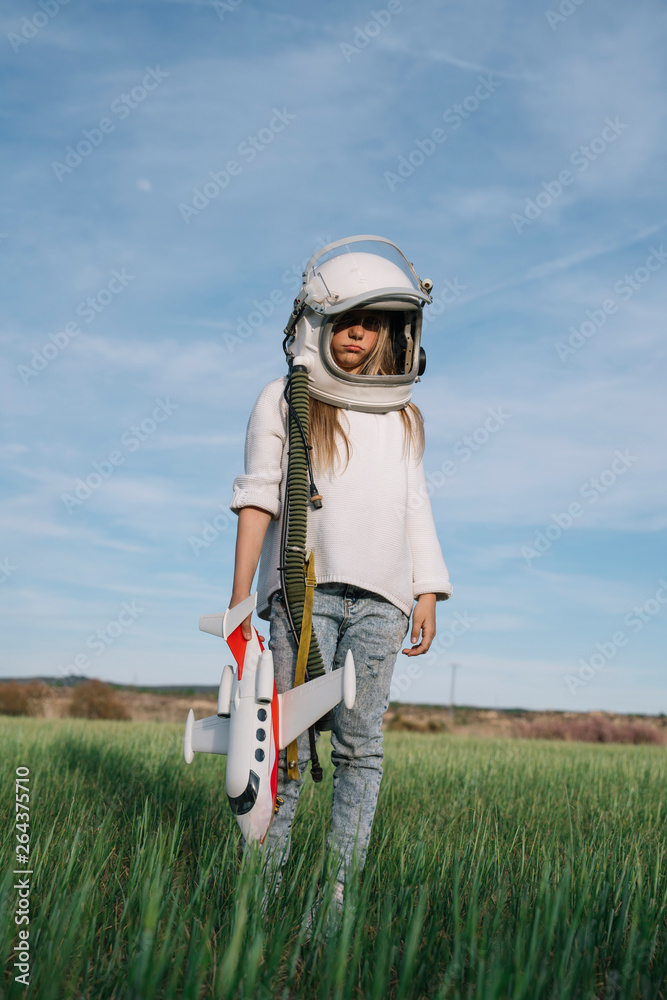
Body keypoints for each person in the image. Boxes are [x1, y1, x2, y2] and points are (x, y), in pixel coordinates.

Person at [227, 236, 452, 911]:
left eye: (372, 321)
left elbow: (414, 502)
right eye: (345, 318)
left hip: (384, 600)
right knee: (284, 742)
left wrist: (426, 589)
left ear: (393, 333)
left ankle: (337, 896)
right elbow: (259, 496)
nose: (358, 332)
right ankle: (261, 895)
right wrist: (240, 599)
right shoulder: (283, 398)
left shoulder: (403, 416)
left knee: (360, 747)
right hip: (305, 592)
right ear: (314, 323)